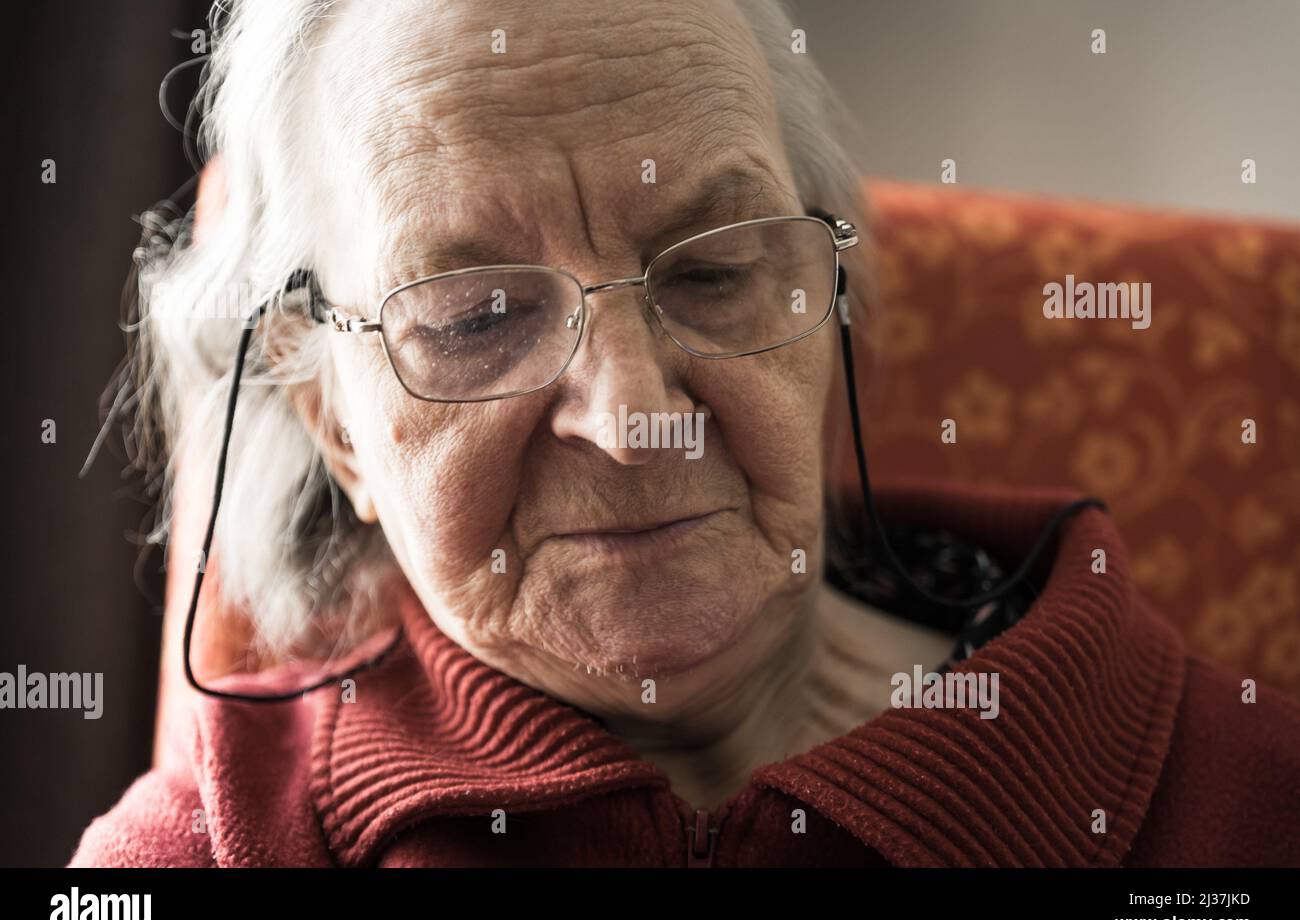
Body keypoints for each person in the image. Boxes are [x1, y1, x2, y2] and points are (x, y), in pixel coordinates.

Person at [71, 0, 1300, 867]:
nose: (636, 419)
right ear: (337, 422)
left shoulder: (1246, 797)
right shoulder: (203, 854)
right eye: (480, 315)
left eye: (713, 274)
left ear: (825, 302)